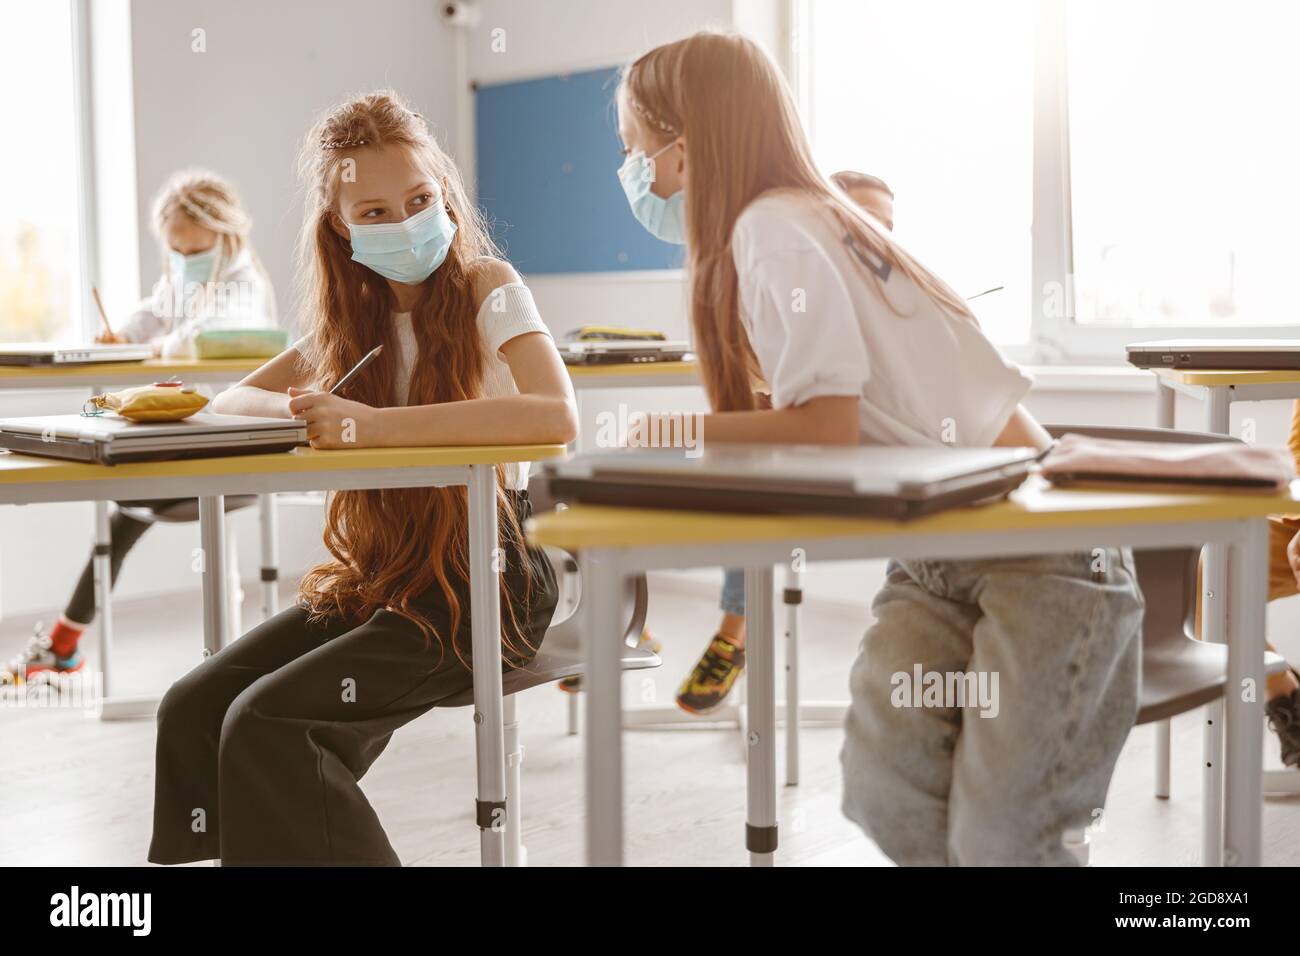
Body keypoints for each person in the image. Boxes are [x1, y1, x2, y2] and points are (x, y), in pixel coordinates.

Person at [615, 31, 1144, 865]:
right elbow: (836, 420)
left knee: (1006, 830)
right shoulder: (794, 222)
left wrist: (675, 433)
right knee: (885, 788)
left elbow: (823, 427)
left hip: (1043, 551)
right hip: (946, 555)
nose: (635, 174)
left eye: (634, 150)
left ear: (684, 148)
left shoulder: (774, 231)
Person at [147, 90, 576, 865]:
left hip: (487, 575)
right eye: (374, 212)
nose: (406, 223)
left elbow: (556, 415)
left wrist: (373, 425)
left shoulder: (491, 286)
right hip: (393, 572)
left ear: (443, 194)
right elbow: (235, 401)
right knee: (195, 705)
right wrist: (306, 406)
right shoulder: (352, 324)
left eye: (419, 200)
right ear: (340, 226)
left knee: (270, 723)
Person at [2, 170, 277, 687]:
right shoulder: (183, 281)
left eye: (193, 248)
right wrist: (123, 335)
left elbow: (209, 335)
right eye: (175, 249)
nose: (184, 259)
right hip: (192, 440)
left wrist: (156, 346)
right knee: (119, 511)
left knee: (123, 503)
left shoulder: (243, 285)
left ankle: (65, 646)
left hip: (234, 452)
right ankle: (64, 644)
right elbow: (153, 315)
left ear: (226, 236)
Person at [675, 170, 897, 715]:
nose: (878, 237)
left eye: (887, 226)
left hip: (890, 469)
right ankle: (729, 630)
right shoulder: (785, 293)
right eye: (861, 221)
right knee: (737, 479)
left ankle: (737, 631)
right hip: (805, 463)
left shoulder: (904, 309)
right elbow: (754, 401)